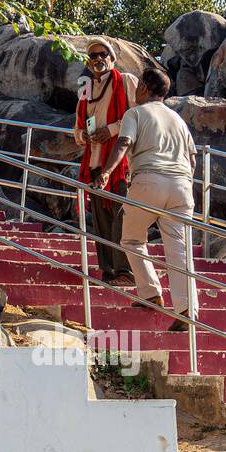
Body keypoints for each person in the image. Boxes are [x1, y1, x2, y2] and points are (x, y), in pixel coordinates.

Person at [92, 67, 198, 333]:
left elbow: (124, 143)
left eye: (138, 85)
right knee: (180, 251)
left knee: (131, 239)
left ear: (144, 88)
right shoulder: (177, 119)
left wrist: (105, 172)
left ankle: (150, 292)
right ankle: (187, 311)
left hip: (149, 181)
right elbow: (193, 158)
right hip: (182, 185)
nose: (135, 90)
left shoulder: (135, 113)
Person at [74, 39, 135, 285]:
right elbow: (77, 127)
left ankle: (125, 272)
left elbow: (136, 118)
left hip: (120, 164)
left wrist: (110, 130)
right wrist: (83, 135)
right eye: (93, 56)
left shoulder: (126, 81)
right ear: (89, 63)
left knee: (122, 215)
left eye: (103, 54)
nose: (99, 59)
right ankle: (109, 271)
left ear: (112, 58)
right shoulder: (85, 88)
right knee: (101, 219)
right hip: (95, 162)